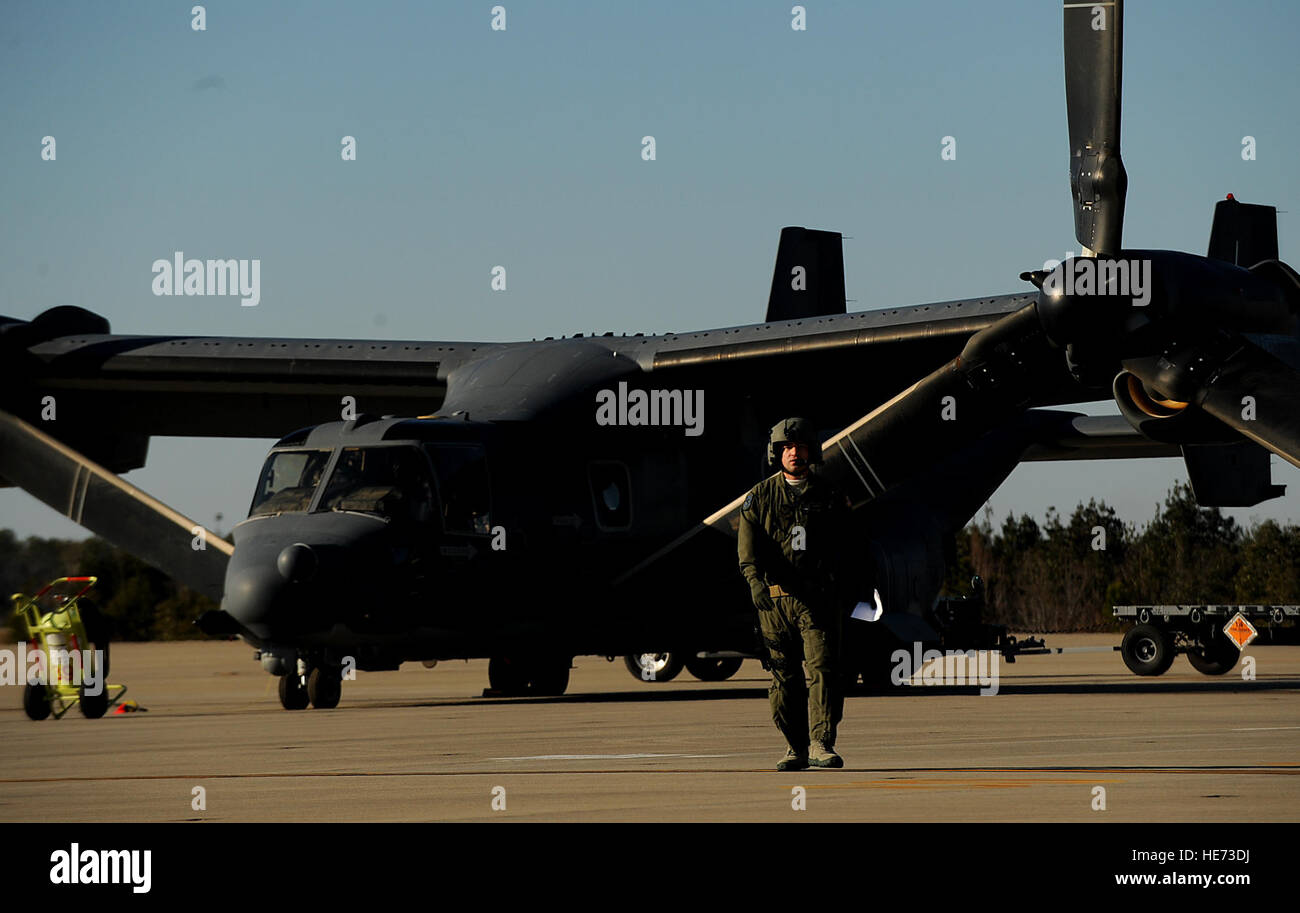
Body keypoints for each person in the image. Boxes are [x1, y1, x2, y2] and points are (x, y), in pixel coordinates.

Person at [738, 417, 854, 771]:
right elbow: (747, 551)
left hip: (816, 600)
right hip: (773, 602)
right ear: (777, 453)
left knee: (822, 669)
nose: (794, 453)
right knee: (783, 677)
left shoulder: (830, 497)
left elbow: (849, 547)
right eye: (787, 448)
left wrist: (845, 590)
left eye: (800, 447)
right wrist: (755, 582)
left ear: (811, 451)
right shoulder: (758, 498)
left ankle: (820, 742)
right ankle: (794, 746)